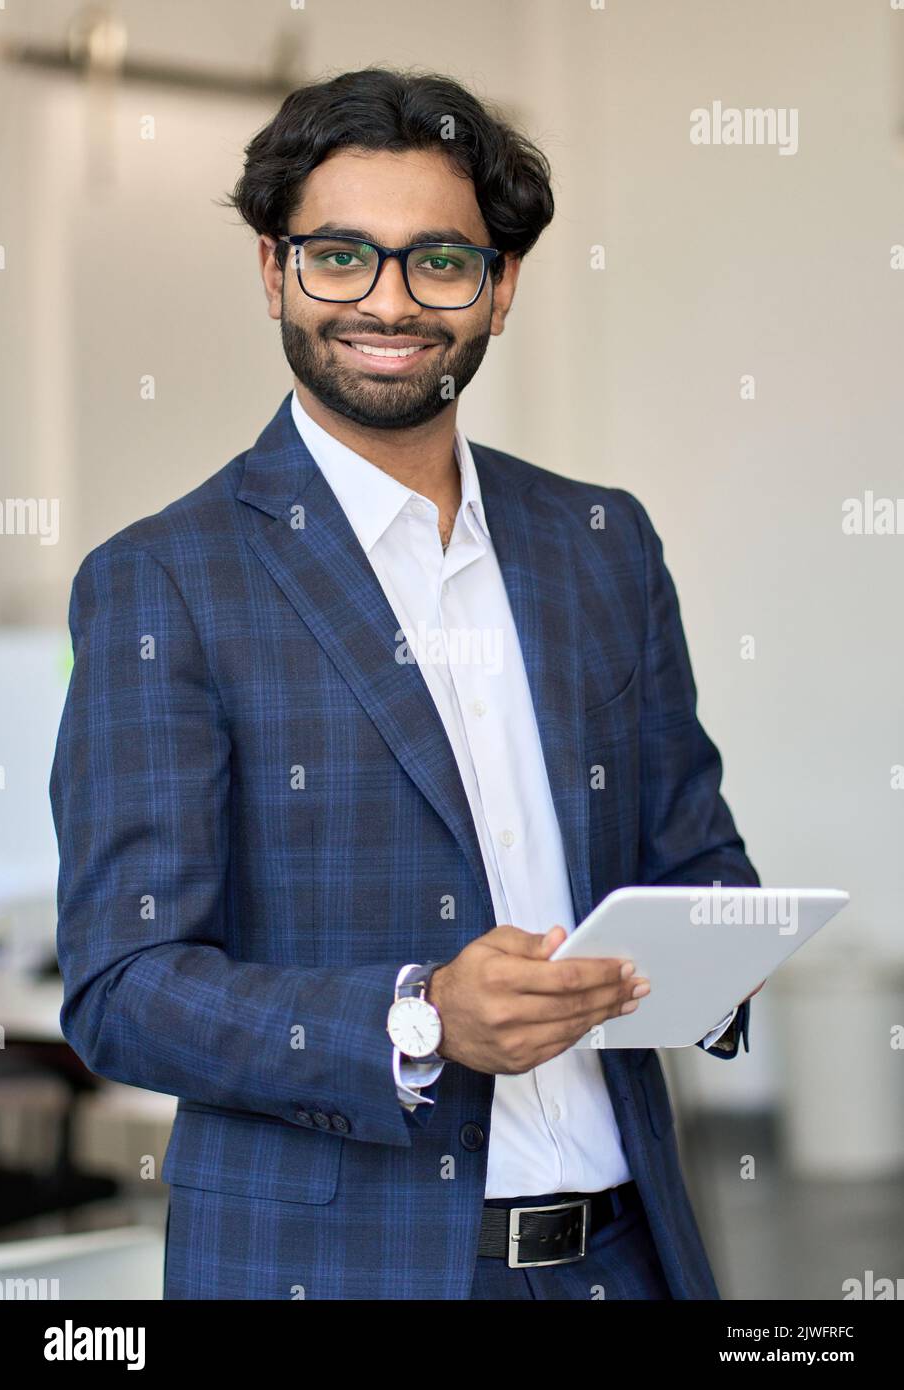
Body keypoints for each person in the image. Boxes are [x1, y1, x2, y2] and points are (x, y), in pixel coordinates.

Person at [50, 67, 762, 1301]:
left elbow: (699, 866)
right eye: (340, 257)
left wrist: (705, 960)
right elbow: (122, 988)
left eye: (439, 261)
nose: (388, 300)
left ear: (500, 289)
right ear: (273, 273)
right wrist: (420, 1015)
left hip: (626, 1257)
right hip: (332, 1272)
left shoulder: (603, 544)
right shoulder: (163, 580)